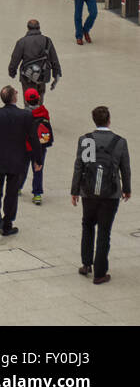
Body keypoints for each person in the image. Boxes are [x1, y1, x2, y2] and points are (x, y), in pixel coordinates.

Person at [71, 106, 131, 285]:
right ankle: (100, 272)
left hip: (88, 191)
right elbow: (125, 169)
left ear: (94, 120)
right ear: (109, 120)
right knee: (104, 231)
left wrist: (75, 190)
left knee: (87, 225)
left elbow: (78, 166)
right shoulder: (120, 142)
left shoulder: (85, 140)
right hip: (110, 193)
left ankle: (86, 263)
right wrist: (126, 188)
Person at [0, 85, 45, 241]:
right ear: (14, 98)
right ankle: (7, 223)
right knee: (11, 193)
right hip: (17, 161)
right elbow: (33, 139)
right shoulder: (25, 116)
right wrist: (38, 160)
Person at [8, 18, 61, 97]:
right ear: (39, 28)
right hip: (43, 75)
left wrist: (12, 72)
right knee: (40, 99)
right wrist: (56, 74)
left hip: (27, 76)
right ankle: (39, 108)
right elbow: (54, 59)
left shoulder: (22, 42)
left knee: (29, 100)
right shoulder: (47, 40)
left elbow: (15, 59)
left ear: (28, 28)